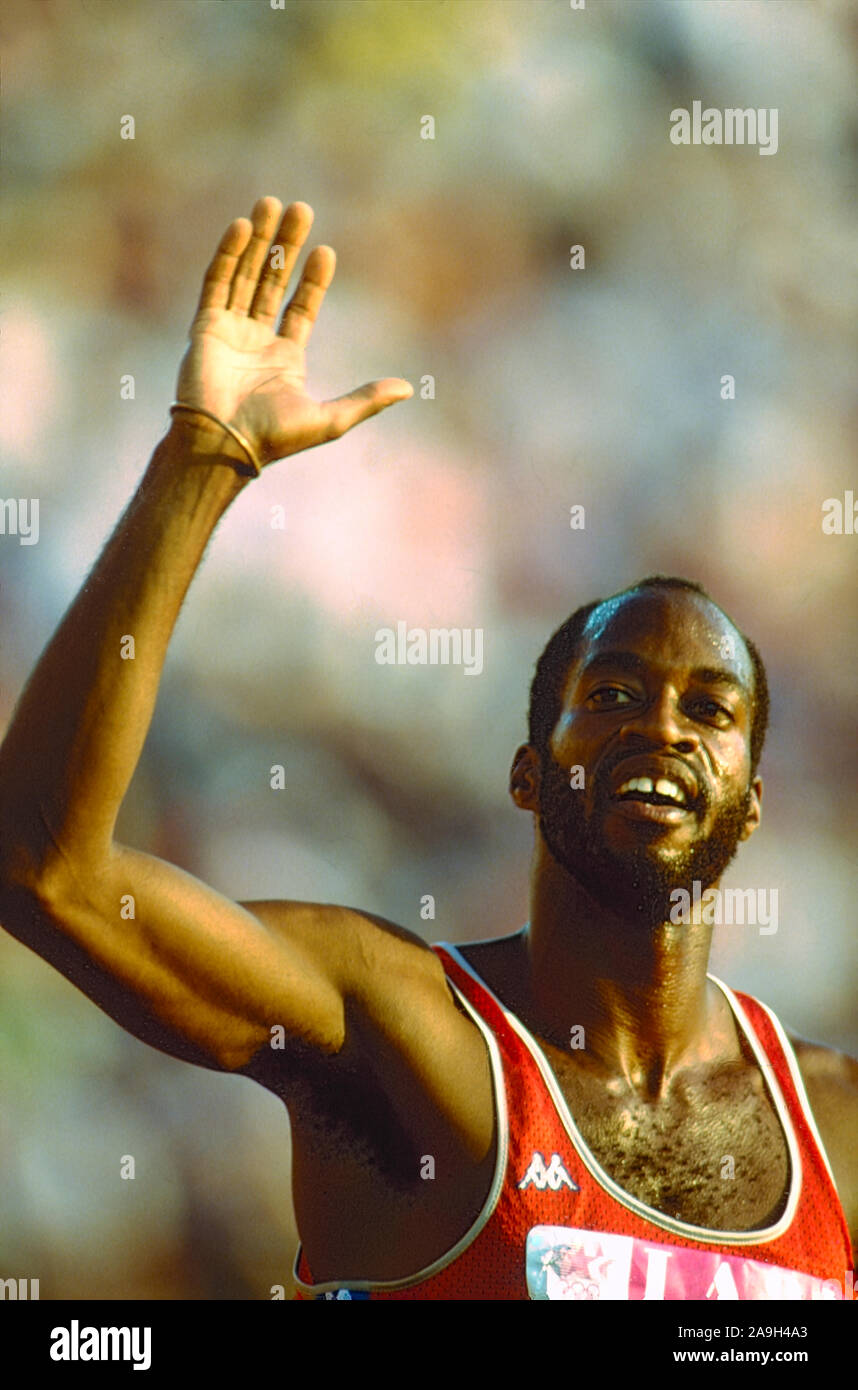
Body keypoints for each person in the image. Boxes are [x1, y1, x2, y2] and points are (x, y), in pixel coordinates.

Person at [0, 197, 855, 1301]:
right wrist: (203, 457)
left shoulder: (833, 1127)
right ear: (527, 772)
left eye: (711, 710)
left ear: (750, 805)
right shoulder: (401, 1035)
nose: (662, 727)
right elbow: (44, 866)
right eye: (612, 692)